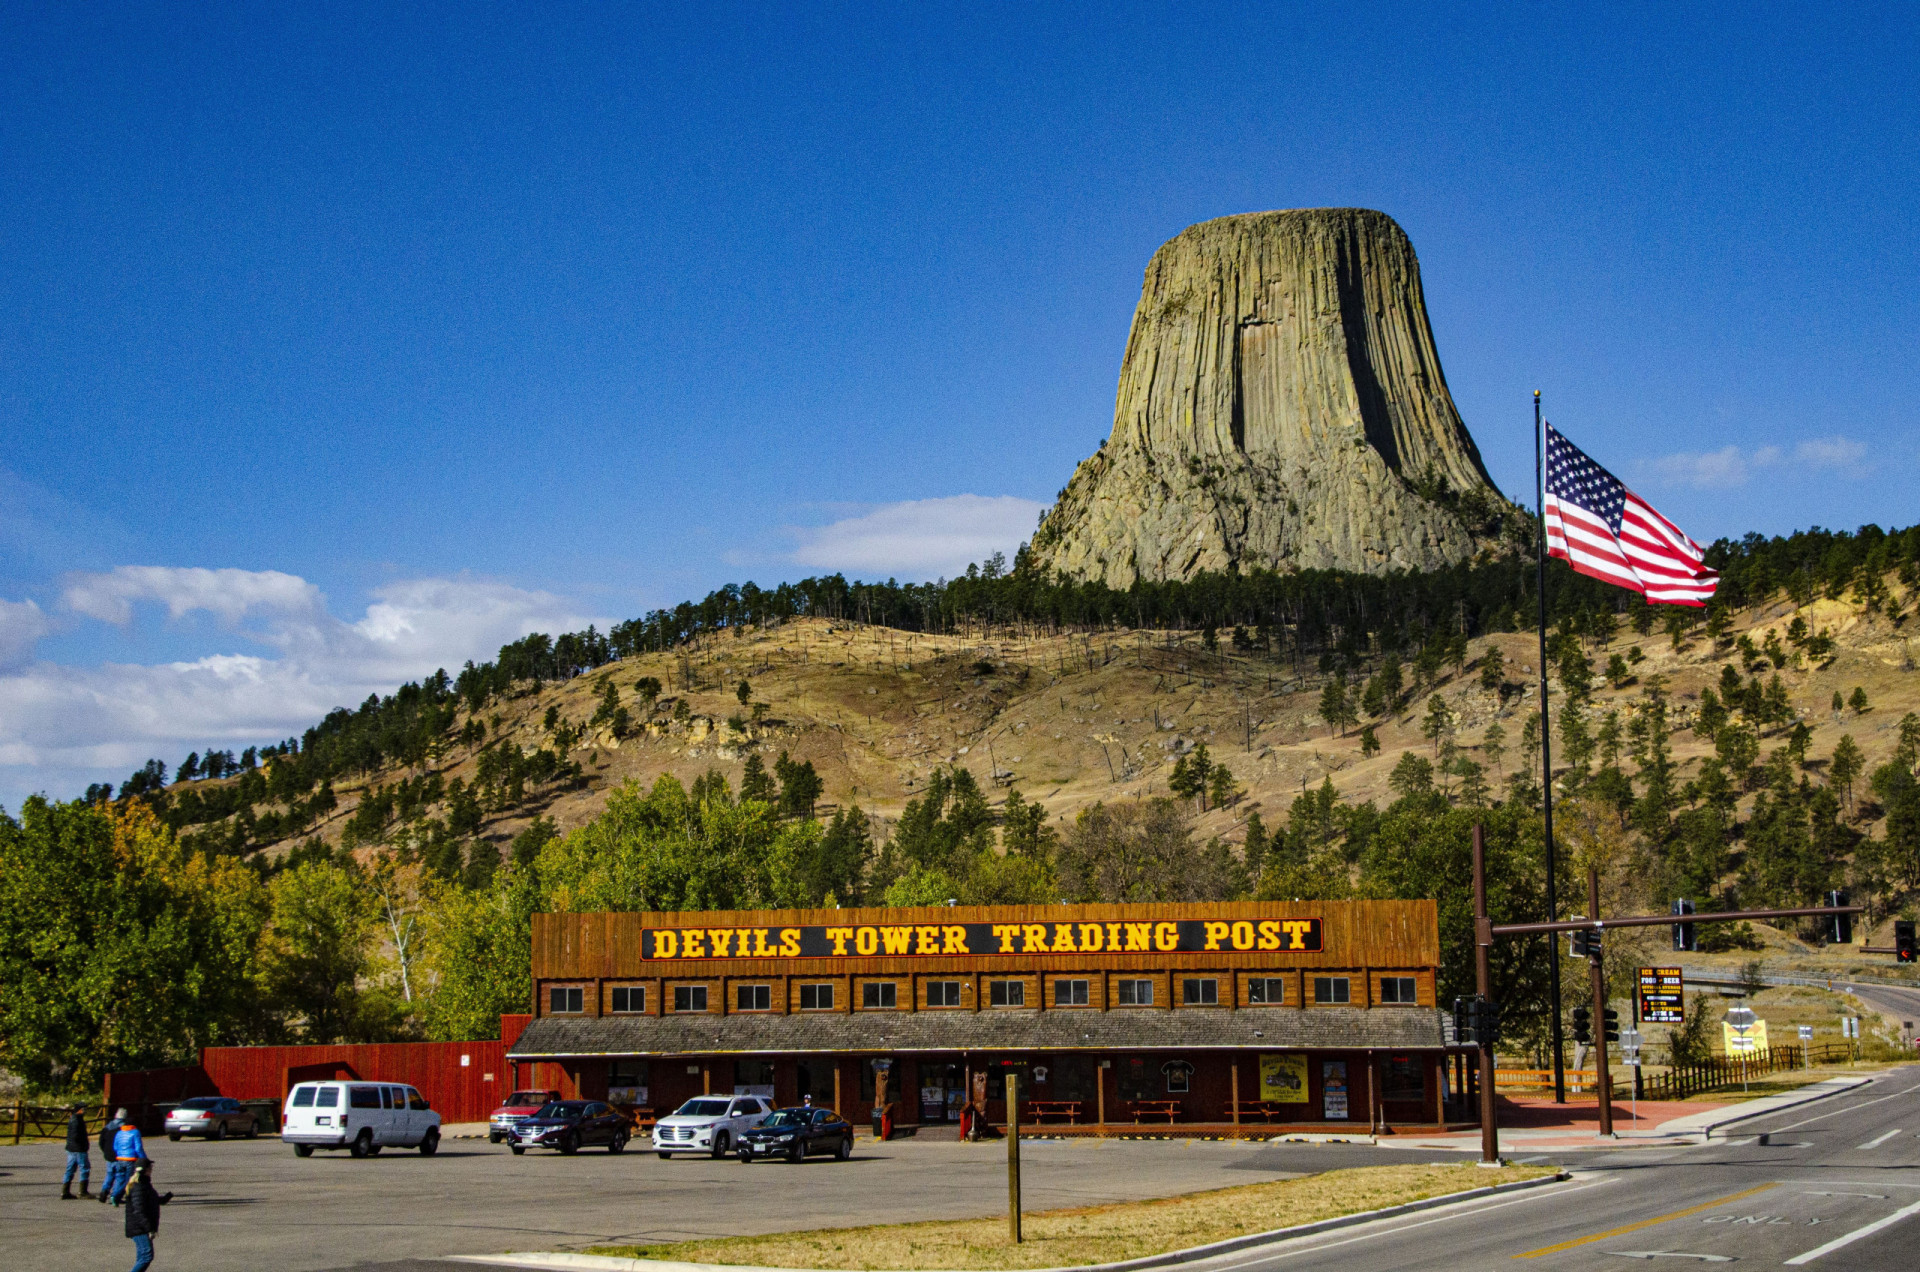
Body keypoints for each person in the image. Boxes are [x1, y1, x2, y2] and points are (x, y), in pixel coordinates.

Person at [122, 1159, 172, 1272]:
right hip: (139, 1228)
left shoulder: (144, 1184)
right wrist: (149, 1229)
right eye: (150, 1168)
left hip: (142, 1226)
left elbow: (150, 1200)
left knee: (142, 1257)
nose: (152, 1170)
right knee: (146, 1256)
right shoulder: (138, 1186)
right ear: (146, 1170)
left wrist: (164, 1199)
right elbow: (138, 1210)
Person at [106, 1109, 147, 1206]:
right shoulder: (135, 1132)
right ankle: (119, 1197)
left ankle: (114, 1195)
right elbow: (138, 1148)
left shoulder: (119, 1132)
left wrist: (119, 1154)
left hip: (120, 1159)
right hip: (130, 1159)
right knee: (129, 1180)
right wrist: (143, 1158)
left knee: (120, 1178)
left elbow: (115, 1147)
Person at [61, 1105, 91, 1199]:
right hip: (78, 1149)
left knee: (70, 1169)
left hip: (71, 1148)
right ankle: (82, 1191)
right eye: (83, 1109)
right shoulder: (77, 1120)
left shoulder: (73, 1119)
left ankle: (65, 1191)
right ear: (80, 1110)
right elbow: (76, 1135)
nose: (85, 1110)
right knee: (84, 1168)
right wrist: (83, 1145)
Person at [97, 1108, 126, 1205]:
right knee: (120, 1175)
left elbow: (101, 1142)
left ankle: (104, 1192)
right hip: (118, 1155)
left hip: (108, 1155)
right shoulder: (123, 1128)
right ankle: (115, 1195)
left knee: (110, 1174)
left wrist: (105, 1151)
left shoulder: (107, 1126)